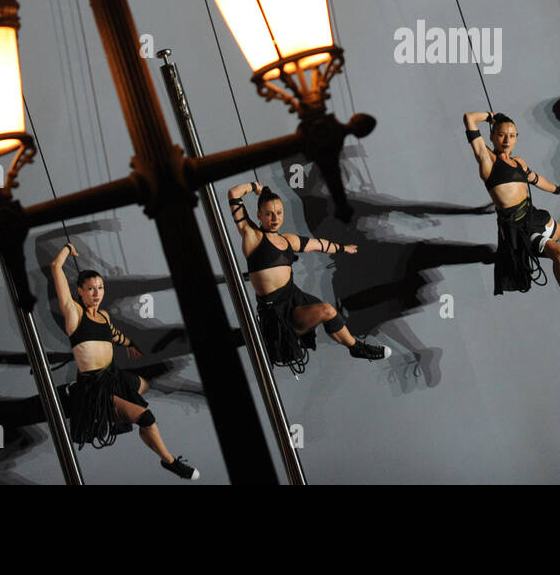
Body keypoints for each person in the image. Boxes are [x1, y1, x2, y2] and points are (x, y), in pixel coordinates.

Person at [50, 243, 199, 479]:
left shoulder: (104, 316)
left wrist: (129, 344)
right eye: (90, 289)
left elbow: (112, 334)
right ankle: (169, 461)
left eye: (100, 288)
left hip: (113, 375)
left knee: (144, 384)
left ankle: (120, 395)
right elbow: (56, 266)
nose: (97, 293)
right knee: (146, 418)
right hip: (95, 387)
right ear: (79, 291)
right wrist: (68, 248)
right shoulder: (73, 313)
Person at [228, 182, 390, 372]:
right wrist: (256, 186)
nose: (275, 218)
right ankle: (354, 347)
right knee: (327, 311)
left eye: (279, 213)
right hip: (276, 312)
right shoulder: (252, 236)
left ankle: (356, 348)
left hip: (294, 298)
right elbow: (233, 194)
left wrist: (342, 248)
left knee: (330, 314)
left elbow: (318, 244)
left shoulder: (288, 240)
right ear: (259, 215)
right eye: (269, 213)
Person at [463, 110, 560, 340]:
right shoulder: (487, 161)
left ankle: (533, 250)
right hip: (519, 229)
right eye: (501, 135)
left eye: (512, 135)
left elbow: (535, 179)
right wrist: (491, 116)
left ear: (517, 137)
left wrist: (558, 189)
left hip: (534, 216)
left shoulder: (519, 162)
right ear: (492, 137)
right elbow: (469, 119)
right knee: (559, 253)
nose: (507, 139)